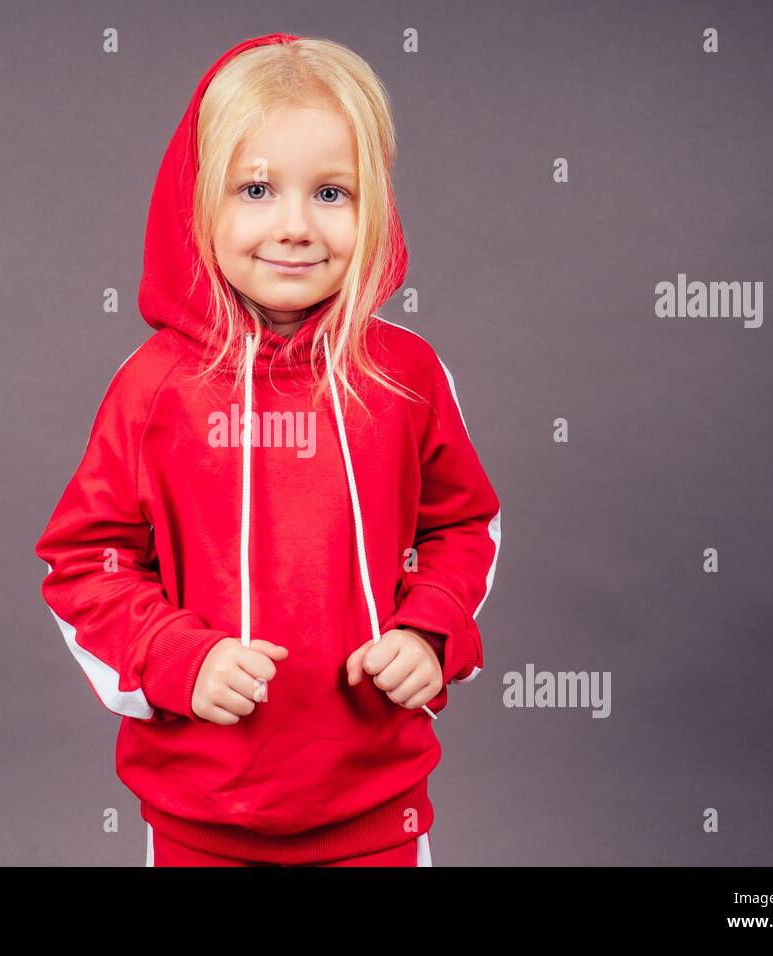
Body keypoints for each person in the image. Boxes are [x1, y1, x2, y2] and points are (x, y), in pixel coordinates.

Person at [34, 32, 502, 867]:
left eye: (331, 192)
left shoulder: (408, 376)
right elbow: (83, 564)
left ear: (377, 208)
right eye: (255, 188)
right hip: (199, 821)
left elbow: (467, 529)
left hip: (377, 815)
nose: (294, 226)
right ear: (198, 205)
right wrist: (176, 656)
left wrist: (431, 631)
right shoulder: (154, 389)